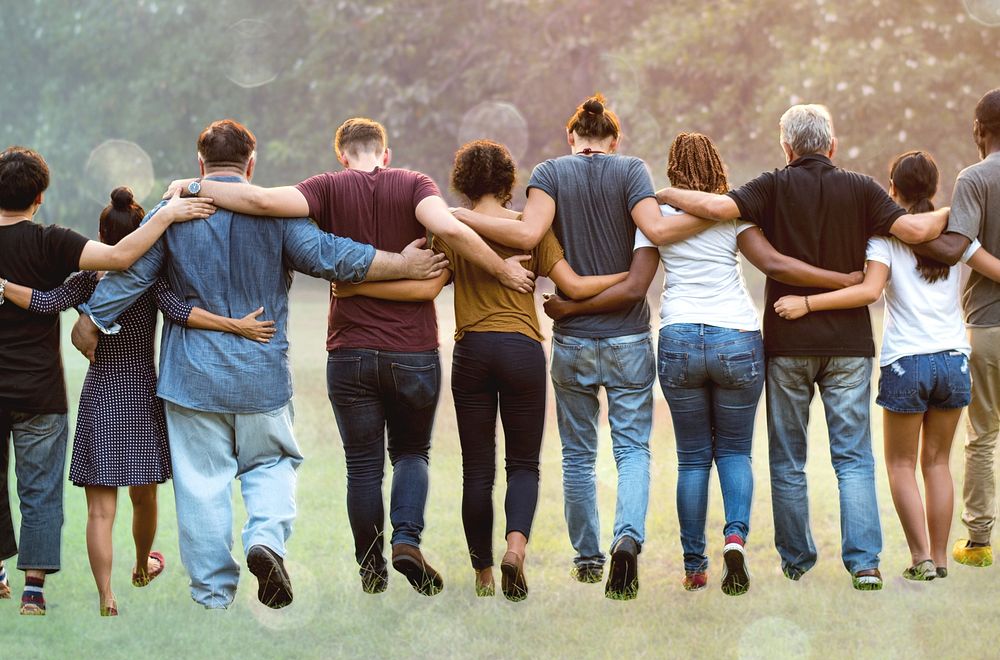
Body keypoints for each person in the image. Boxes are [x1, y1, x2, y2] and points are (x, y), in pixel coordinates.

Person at [70, 119, 445, 610]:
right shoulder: (278, 215)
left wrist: (93, 318)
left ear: (200, 164)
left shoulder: (174, 211)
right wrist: (403, 263)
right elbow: (332, 257)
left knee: (202, 485)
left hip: (192, 378)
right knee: (271, 464)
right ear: (252, 164)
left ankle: (213, 594)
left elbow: (131, 272)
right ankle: (264, 542)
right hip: (261, 372)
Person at [165, 118, 532, 598]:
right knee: (411, 453)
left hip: (349, 351)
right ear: (387, 152)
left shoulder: (324, 188)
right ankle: (406, 540)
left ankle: (370, 568)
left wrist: (192, 185)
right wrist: (502, 268)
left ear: (341, 155)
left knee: (362, 466)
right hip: (413, 351)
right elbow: (448, 229)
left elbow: (256, 200)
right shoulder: (415, 183)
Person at [657, 104, 949, 591]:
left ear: (786, 147)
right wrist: (964, 206)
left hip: (788, 341)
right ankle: (865, 564)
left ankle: (796, 563)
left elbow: (714, 209)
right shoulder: (862, 188)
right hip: (850, 346)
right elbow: (918, 231)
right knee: (853, 457)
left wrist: (663, 191)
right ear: (832, 145)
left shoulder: (769, 185)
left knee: (788, 457)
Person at [335, 139, 628, 601]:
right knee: (524, 464)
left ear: (462, 182)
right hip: (523, 353)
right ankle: (515, 551)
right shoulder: (527, 228)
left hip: (472, 354)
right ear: (509, 181)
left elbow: (423, 290)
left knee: (478, 471)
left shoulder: (450, 229)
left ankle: (484, 576)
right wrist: (629, 278)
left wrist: (352, 291)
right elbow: (572, 284)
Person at [453, 94, 713, 600]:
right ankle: (627, 540)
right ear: (614, 139)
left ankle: (589, 559)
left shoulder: (549, 172)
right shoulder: (633, 170)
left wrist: (452, 218)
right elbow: (655, 230)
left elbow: (527, 230)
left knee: (577, 455)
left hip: (571, 341)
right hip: (628, 336)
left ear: (571, 137)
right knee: (633, 448)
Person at [2, 187, 276, 615]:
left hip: (100, 395)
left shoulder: (86, 281)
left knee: (100, 511)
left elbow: (44, 302)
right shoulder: (152, 282)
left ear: (101, 233)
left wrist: (3, 285)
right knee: (144, 496)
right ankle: (142, 565)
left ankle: (105, 596)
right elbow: (185, 313)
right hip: (142, 396)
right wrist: (234, 326)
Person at [639, 133, 864, 595]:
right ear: (717, 163)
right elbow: (776, 265)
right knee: (736, 452)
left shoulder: (656, 216)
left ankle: (694, 565)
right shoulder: (735, 213)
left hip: (680, 334)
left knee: (693, 458)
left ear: (674, 170)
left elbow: (638, 272)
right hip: (736, 337)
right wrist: (837, 280)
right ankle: (736, 540)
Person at [775, 149, 1000, 580]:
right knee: (937, 463)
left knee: (900, 465)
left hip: (906, 363)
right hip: (953, 360)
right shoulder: (958, 236)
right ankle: (939, 558)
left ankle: (918, 560)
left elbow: (868, 292)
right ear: (935, 188)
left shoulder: (884, 239)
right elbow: (993, 268)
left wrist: (807, 303)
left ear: (892, 188)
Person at [910, 89, 1000, 568]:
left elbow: (956, 246)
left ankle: (980, 542)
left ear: (979, 130)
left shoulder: (976, 177)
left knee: (983, 435)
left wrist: (900, 225)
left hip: (988, 324)